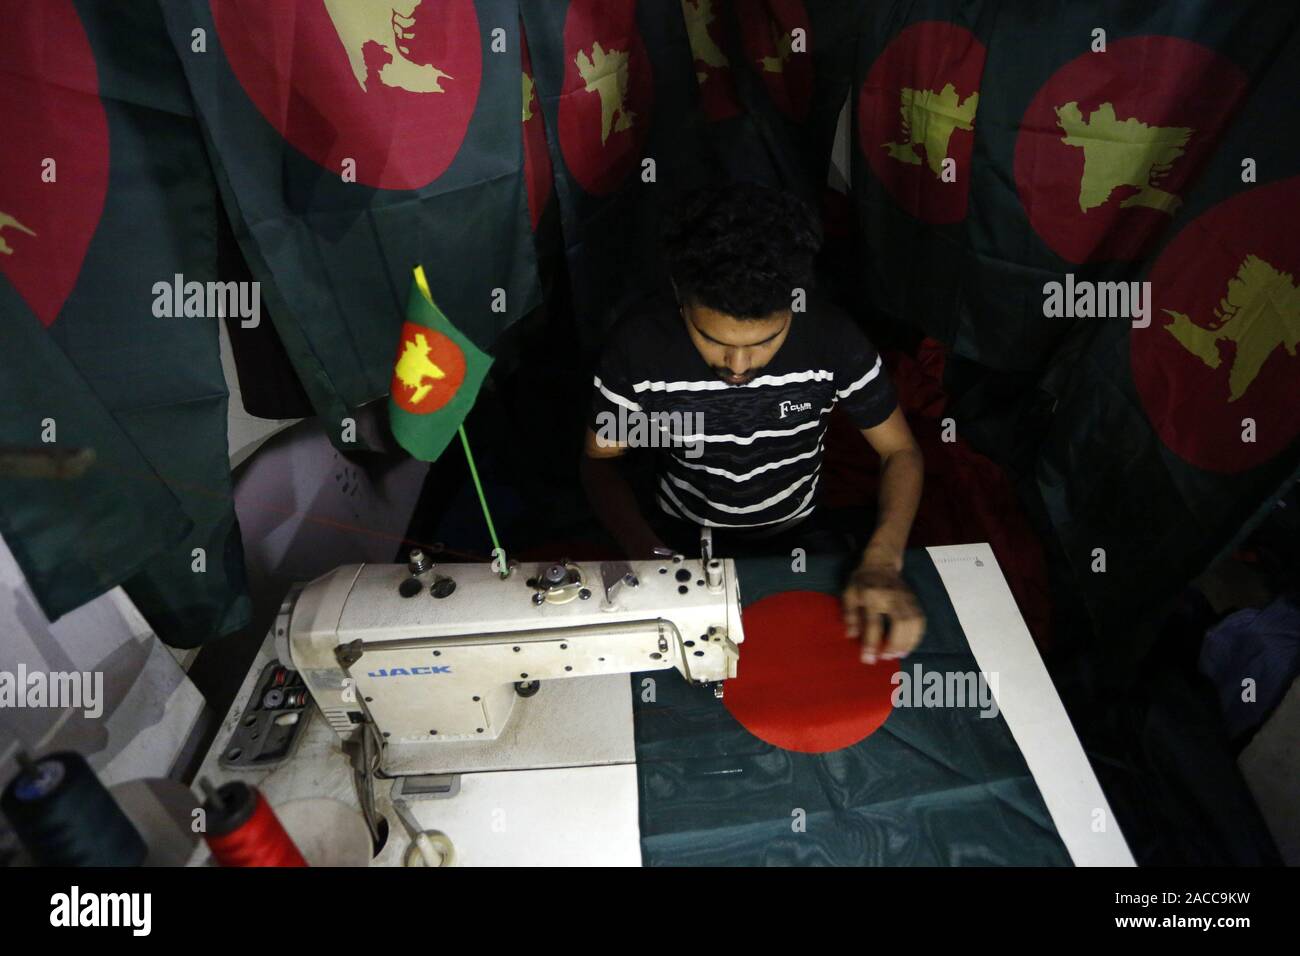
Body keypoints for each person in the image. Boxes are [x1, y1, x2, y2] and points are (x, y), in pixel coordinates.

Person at [580, 182, 925, 664]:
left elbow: (899, 452)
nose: (739, 365)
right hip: (678, 534)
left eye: (765, 340)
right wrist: (648, 555)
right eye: (713, 339)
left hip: (800, 531)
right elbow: (601, 461)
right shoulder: (639, 348)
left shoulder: (833, 341)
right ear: (681, 297)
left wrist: (883, 561)